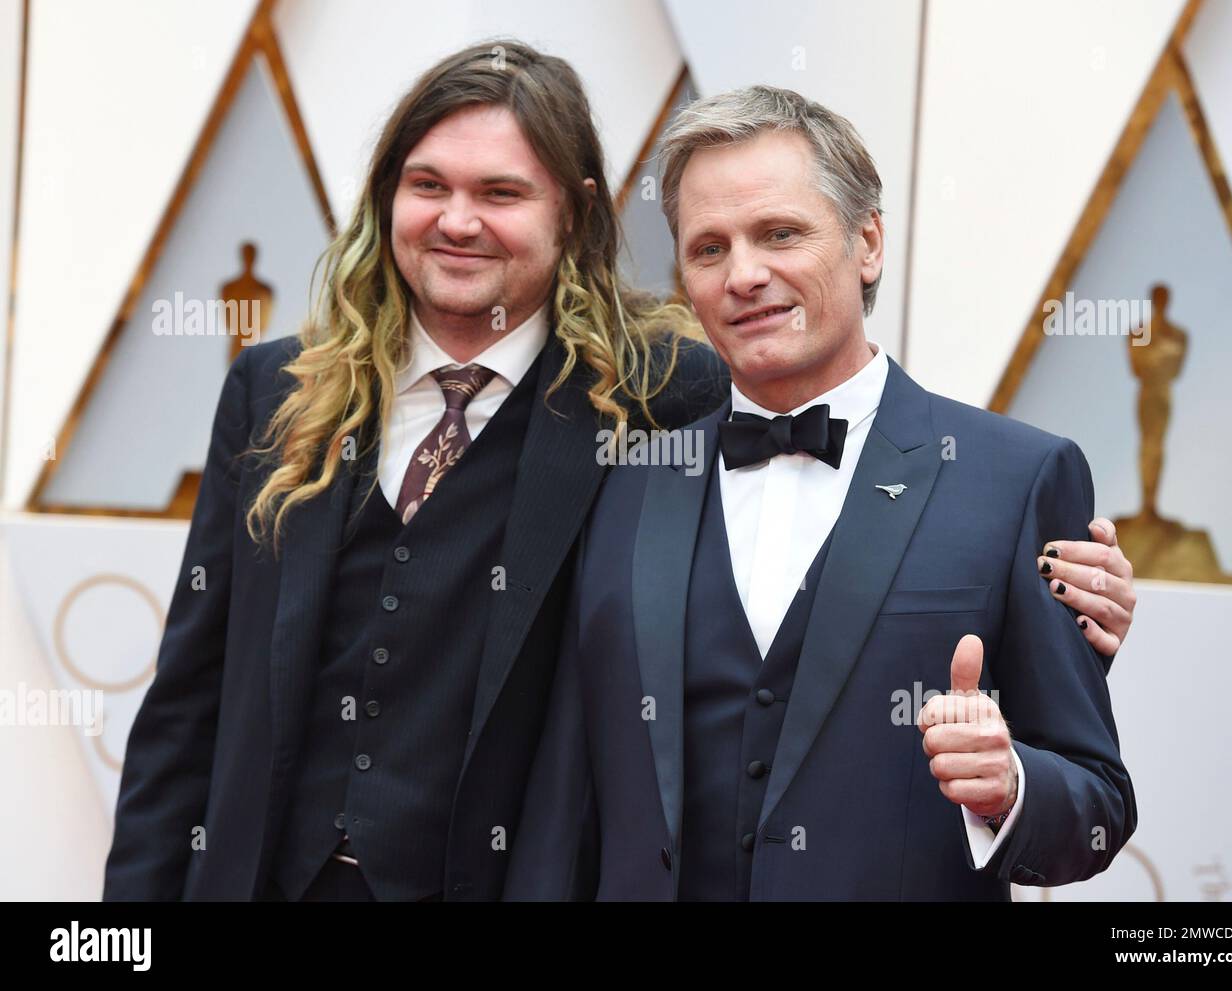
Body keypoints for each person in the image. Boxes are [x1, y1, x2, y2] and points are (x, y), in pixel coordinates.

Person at [105, 45, 1133, 902]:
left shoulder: (646, 400)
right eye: (428, 185)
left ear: (573, 213)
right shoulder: (278, 388)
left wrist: (1054, 631)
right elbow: (187, 701)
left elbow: (1075, 774)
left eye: (501, 192)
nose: (458, 220)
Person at [505, 85, 1137, 900]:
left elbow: (1098, 801)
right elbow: (566, 799)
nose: (745, 275)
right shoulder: (625, 483)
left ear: (866, 241)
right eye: (708, 248)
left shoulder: (1018, 478)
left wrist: (1008, 785)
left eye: (779, 234)